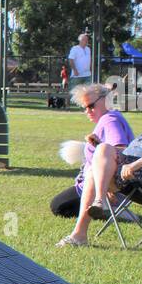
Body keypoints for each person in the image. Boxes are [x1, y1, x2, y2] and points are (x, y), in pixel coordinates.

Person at [57, 76, 142, 247]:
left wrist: (135, 164)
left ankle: (85, 226)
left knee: (96, 165)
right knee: (102, 154)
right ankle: (95, 208)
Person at [49, 83, 134, 219]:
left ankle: (110, 209)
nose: (87, 111)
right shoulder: (111, 117)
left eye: (91, 106)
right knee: (59, 205)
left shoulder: (109, 120)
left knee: (59, 206)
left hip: (102, 185)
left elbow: (120, 150)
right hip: (104, 184)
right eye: (85, 108)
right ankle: (110, 208)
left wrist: (109, 187)